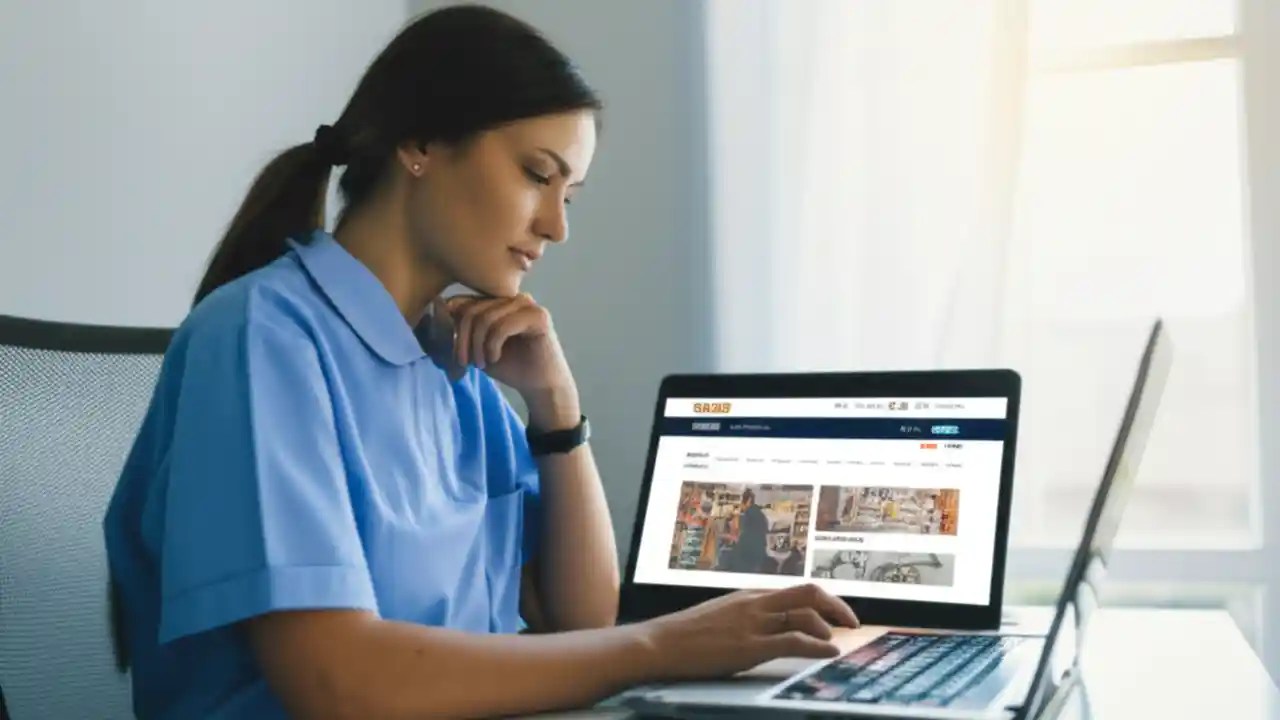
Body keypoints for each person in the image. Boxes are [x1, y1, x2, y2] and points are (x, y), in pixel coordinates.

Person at [100, 5, 858, 720]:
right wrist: (661, 645)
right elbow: (336, 681)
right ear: (421, 144)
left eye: (570, 196)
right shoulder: (261, 338)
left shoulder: (458, 373)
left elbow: (578, 620)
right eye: (537, 174)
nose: (557, 226)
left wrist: (556, 411)